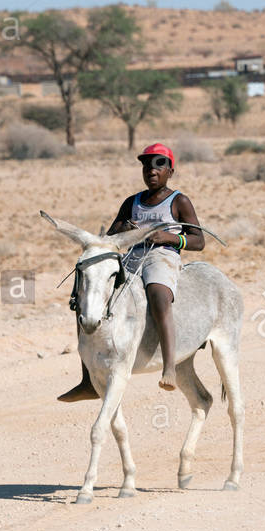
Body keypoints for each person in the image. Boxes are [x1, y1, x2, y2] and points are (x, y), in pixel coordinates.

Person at [58, 142, 206, 401]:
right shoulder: (132, 201)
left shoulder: (179, 201)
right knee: (88, 296)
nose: (152, 169)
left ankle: (169, 365)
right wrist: (124, 227)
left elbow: (198, 241)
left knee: (158, 294)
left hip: (162, 257)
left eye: (159, 164)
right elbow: (111, 237)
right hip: (131, 257)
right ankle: (87, 379)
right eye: (147, 165)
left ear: (170, 170)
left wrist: (169, 238)